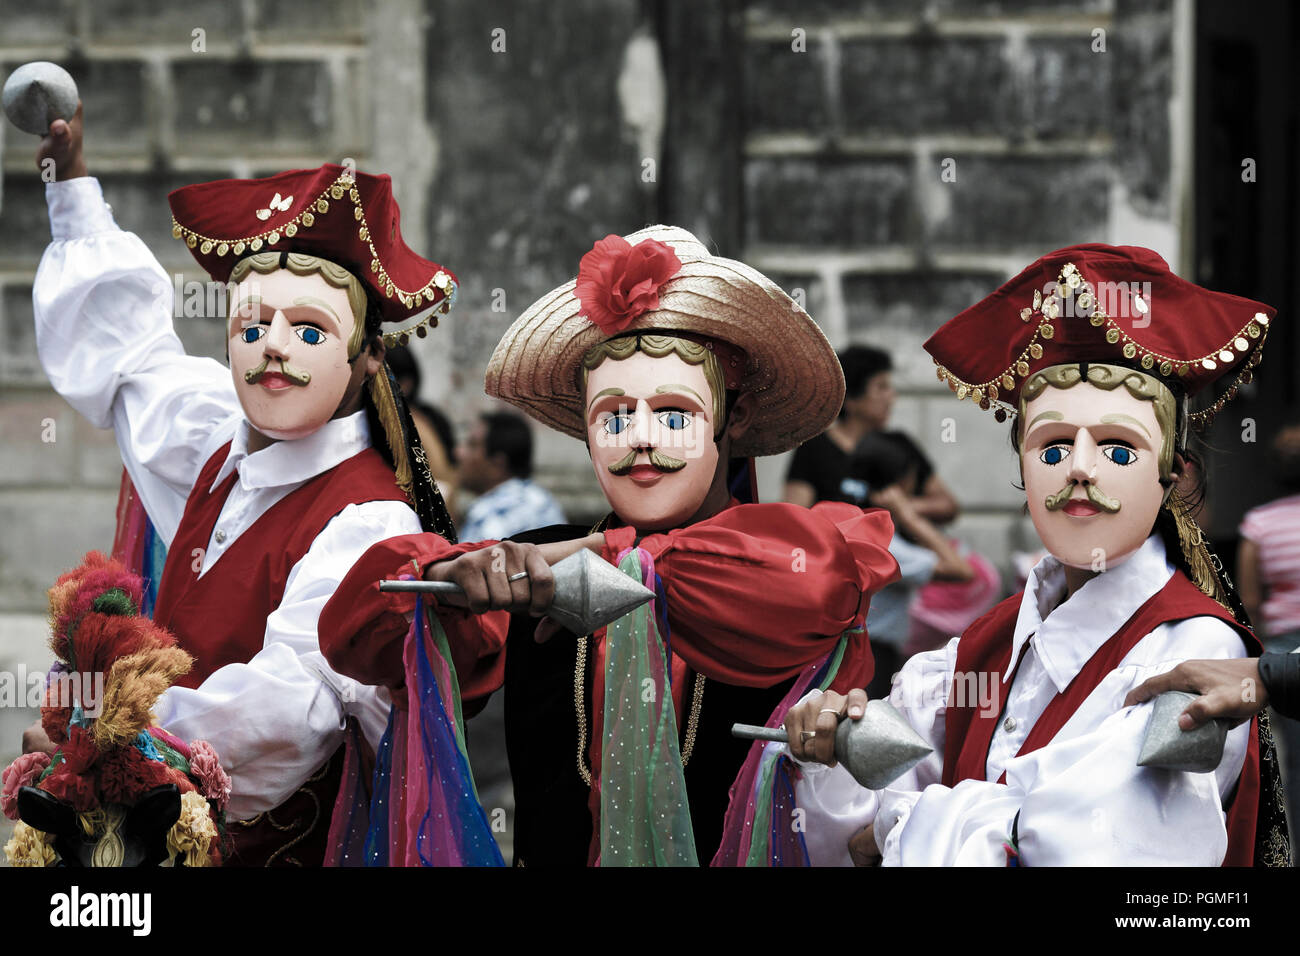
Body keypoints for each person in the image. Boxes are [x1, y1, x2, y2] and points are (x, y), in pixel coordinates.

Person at [320, 226, 899, 866]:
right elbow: (359, 634)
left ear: (733, 419)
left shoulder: (781, 561)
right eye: (615, 416)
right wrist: (451, 579)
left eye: (674, 415)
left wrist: (603, 554)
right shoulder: (531, 561)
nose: (641, 441)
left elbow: (817, 583)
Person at [23, 103, 464, 865]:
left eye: (310, 332)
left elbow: (292, 707)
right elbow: (134, 359)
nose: (273, 353)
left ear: (366, 360)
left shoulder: (368, 523)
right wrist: (72, 184)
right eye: (251, 329)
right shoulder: (214, 445)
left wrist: (101, 744)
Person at [784, 243, 1290, 866]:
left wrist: (897, 827)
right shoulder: (988, 644)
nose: (1078, 470)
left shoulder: (1194, 651)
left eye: (1117, 449)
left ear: (1173, 475)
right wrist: (841, 732)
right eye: (1051, 448)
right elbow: (879, 780)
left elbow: (1089, 847)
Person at [845, 432, 974, 699]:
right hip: (872, 658)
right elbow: (960, 570)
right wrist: (908, 514)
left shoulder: (854, 525)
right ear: (901, 481)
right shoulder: (886, 545)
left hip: (856, 653)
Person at [783, 344, 959, 523]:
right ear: (850, 398)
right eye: (881, 387)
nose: (891, 396)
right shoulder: (815, 448)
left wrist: (904, 506)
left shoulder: (900, 444)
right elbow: (796, 516)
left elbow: (947, 505)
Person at [456, 411, 566, 542]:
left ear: (497, 465)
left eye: (472, 445)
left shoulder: (487, 514)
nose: (459, 452)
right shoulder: (544, 502)